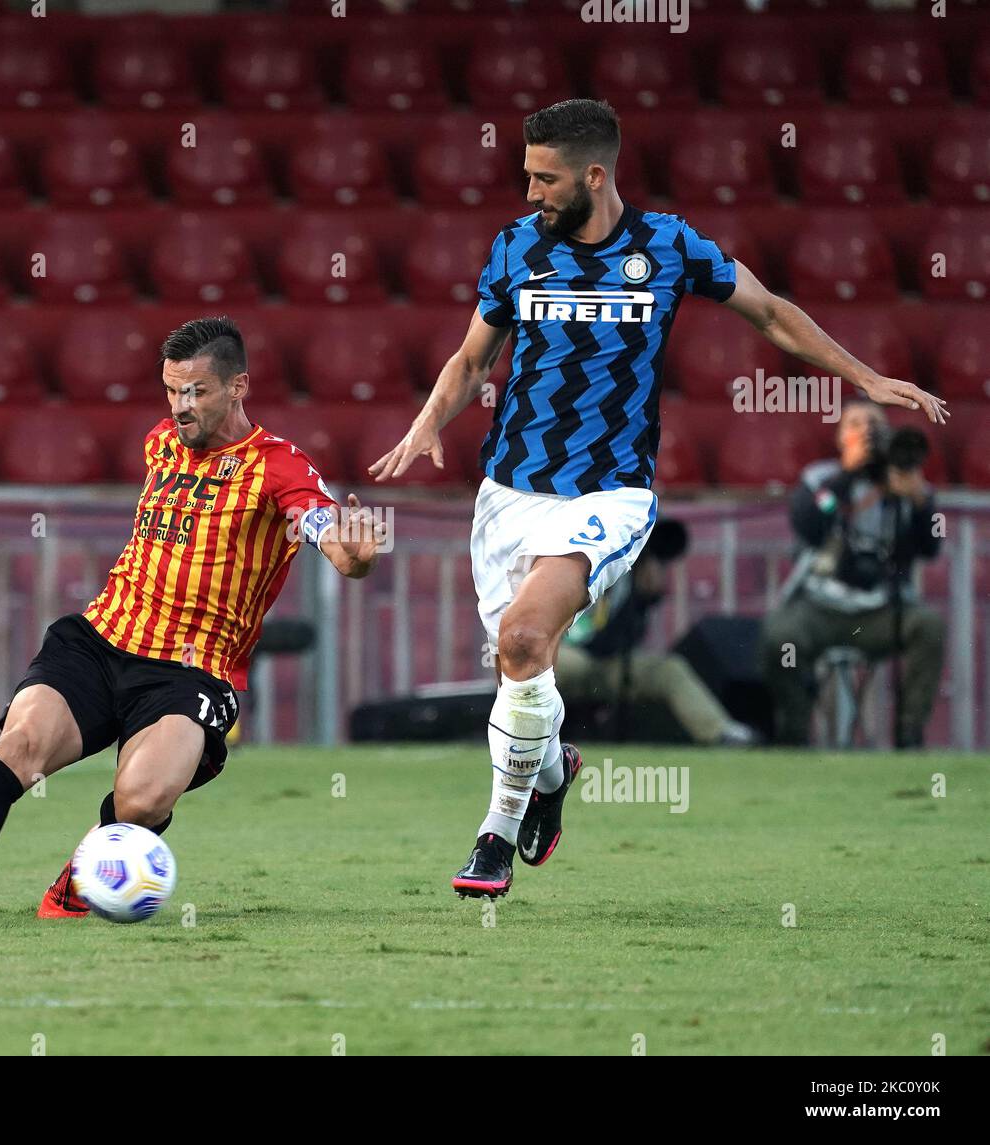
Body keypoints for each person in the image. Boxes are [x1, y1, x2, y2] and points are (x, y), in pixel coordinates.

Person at [368, 98, 947, 900]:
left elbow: (772, 314)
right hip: (507, 493)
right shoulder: (515, 249)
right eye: (526, 175)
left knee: (529, 637)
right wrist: (429, 421)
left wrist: (867, 379)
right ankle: (552, 767)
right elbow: (472, 362)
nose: (529, 191)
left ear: (594, 175)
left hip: (610, 492)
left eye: (544, 178)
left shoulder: (669, 246)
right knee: (517, 663)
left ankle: (496, 833)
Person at [0, 316, 385, 922]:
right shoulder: (161, 440)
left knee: (142, 800)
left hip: (188, 670)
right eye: (171, 390)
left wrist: (352, 552)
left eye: (197, 391)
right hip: (101, 639)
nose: (181, 407)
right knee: (19, 746)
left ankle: (85, 873)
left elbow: (326, 533)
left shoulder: (278, 466)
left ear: (238, 386)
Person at [761, 400, 944, 748]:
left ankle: (909, 736)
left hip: (881, 611)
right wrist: (846, 475)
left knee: (929, 627)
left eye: (873, 426)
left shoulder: (906, 483)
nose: (866, 432)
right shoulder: (820, 478)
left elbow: (932, 547)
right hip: (820, 607)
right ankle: (794, 736)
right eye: (856, 424)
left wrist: (920, 502)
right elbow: (808, 526)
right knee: (779, 636)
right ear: (840, 436)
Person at [561, 518, 760, 746]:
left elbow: (615, 643)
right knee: (555, 665)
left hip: (606, 665)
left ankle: (722, 733)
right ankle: (524, 737)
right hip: (566, 652)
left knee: (669, 670)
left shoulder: (633, 583)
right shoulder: (591, 560)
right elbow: (585, 632)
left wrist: (643, 597)